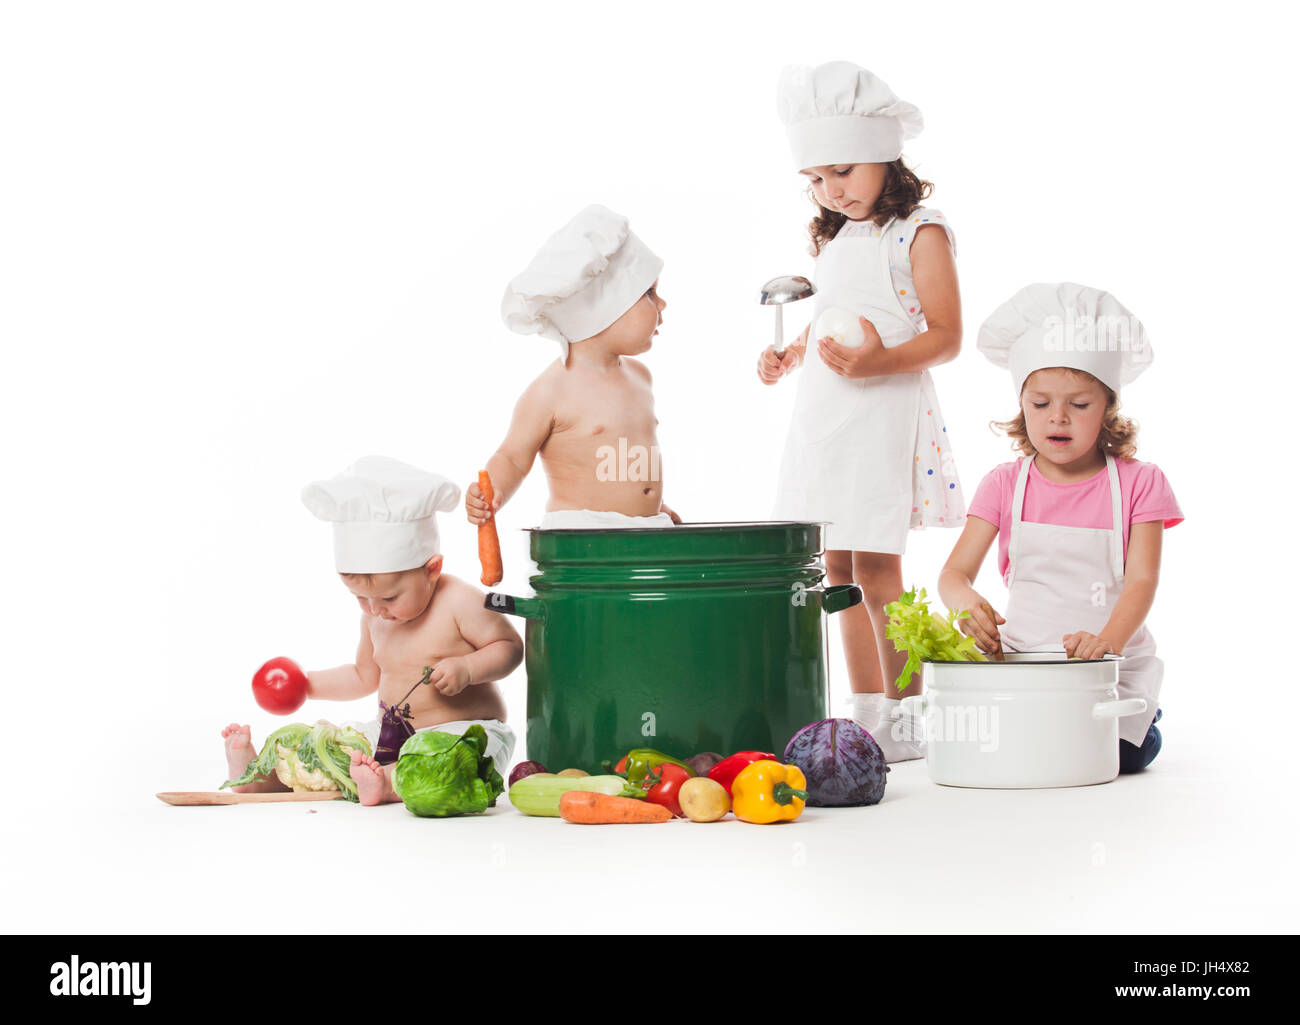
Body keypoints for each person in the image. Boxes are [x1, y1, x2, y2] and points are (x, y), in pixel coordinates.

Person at [758, 61, 965, 760]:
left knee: (878, 567)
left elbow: (945, 335)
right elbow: (834, 321)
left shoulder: (919, 232)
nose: (830, 189)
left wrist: (877, 363)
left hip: (880, 413)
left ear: (883, 153)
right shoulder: (836, 239)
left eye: (842, 170)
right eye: (815, 179)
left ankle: (907, 713)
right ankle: (867, 705)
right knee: (837, 569)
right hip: (826, 420)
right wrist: (792, 358)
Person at [938, 283, 1182, 772]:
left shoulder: (1140, 482)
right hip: (1024, 662)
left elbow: (1142, 581)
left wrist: (1105, 643)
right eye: (1041, 403)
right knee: (1013, 742)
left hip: (1107, 667)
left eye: (1080, 404)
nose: (1059, 417)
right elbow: (954, 575)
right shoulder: (1005, 484)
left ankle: (1146, 717)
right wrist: (966, 604)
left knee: (1119, 753)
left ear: (1108, 406)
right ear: (1021, 403)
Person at [222, 455, 524, 805]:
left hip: (463, 734)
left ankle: (385, 785)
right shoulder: (375, 615)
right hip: (389, 737)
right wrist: (307, 685)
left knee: (449, 766)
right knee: (332, 749)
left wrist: (468, 669)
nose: (374, 609)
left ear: (432, 569)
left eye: (389, 597)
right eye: (359, 598)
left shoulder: (459, 602)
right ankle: (261, 776)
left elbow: (510, 646)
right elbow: (363, 676)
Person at [465, 204, 680, 532]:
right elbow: (512, 457)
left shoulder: (640, 377)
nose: (662, 304)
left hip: (646, 532)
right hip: (585, 538)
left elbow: (626, 457)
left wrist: (651, 505)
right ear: (602, 310)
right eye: (649, 293)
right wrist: (490, 494)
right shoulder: (552, 391)